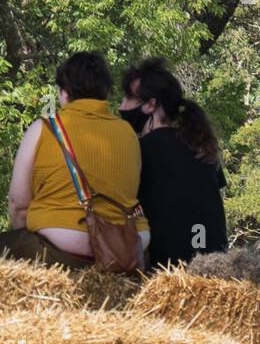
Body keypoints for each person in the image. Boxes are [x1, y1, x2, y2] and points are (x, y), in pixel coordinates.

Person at [2, 51, 147, 270]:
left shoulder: (45, 128)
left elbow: (18, 205)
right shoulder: (129, 133)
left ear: (65, 92)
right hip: (125, 249)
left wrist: (24, 247)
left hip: (61, 250)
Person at [120, 58, 228, 271]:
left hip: (168, 270)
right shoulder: (201, 145)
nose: (121, 106)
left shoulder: (140, 150)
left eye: (129, 98)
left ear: (151, 104)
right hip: (214, 263)